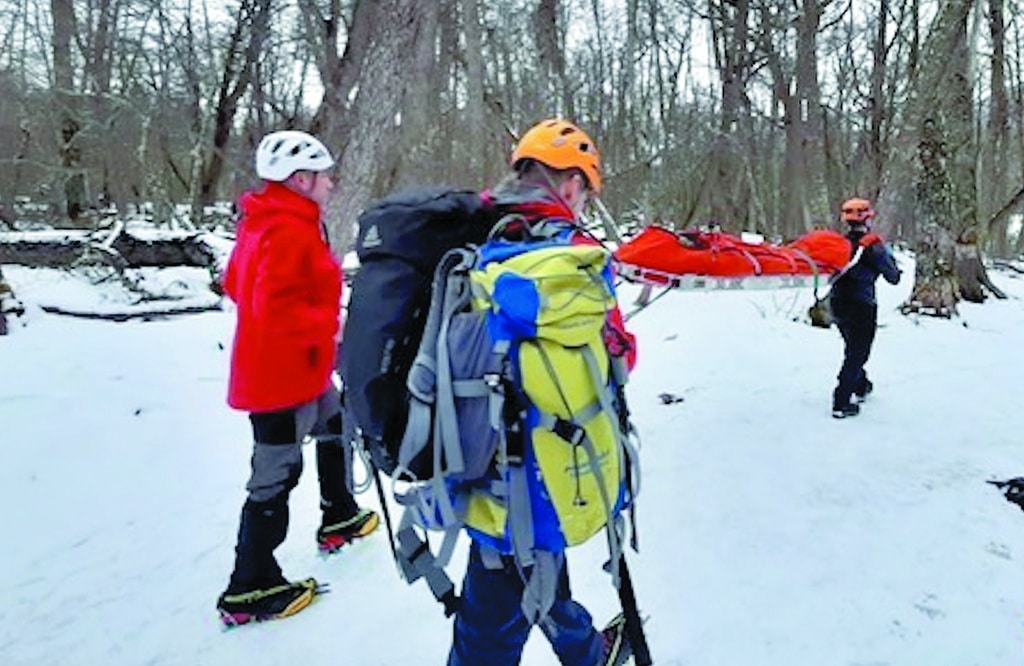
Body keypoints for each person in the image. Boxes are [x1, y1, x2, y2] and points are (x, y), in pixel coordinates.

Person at [446, 119, 637, 666]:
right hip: (537, 463)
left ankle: (584, 650)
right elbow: (617, 355)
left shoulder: (478, 233)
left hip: (476, 447)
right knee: (492, 623)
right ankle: (586, 655)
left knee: (524, 577)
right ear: (572, 183)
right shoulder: (572, 254)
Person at [216, 130, 379, 625]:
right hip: (277, 379)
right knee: (275, 474)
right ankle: (249, 585)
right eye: (325, 175)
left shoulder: (274, 220)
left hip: (300, 371)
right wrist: (331, 331)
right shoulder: (284, 228)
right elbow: (271, 307)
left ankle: (339, 514)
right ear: (301, 179)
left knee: (336, 423)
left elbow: (233, 283)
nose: (332, 183)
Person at [830, 197, 901, 419]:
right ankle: (841, 401)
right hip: (862, 304)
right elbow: (893, 277)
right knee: (857, 352)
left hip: (838, 302)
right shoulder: (873, 245)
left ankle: (861, 385)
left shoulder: (838, 245)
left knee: (852, 348)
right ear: (868, 217)